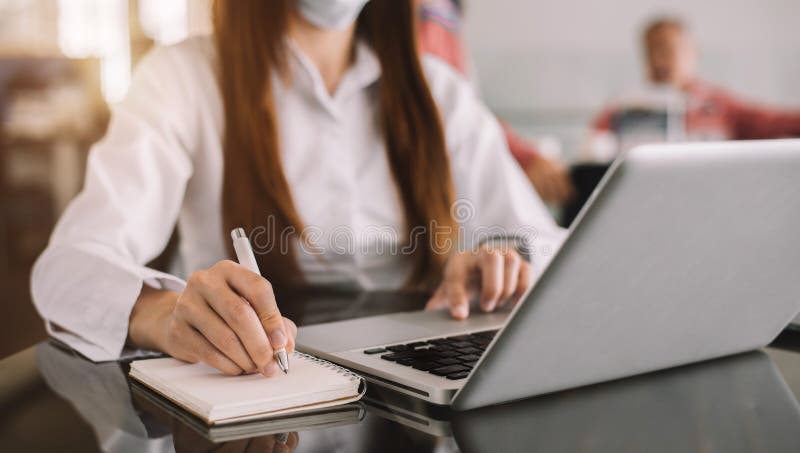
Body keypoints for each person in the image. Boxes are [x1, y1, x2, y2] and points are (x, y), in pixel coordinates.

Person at [31, 0, 564, 377]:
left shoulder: (440, 91)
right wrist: (159, 312)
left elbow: (547, 242)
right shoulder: (182, 79)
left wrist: (504, 258)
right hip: (256, 387)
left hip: (420, 385)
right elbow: (68, 268)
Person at [416, 0, 574, 204]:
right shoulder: (430, 13)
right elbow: (443, 103)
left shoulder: (446, 11)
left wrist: (522, 156)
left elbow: (465, 107)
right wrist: (522, 157)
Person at [592, 17, 800, 145]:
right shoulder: (624, 106)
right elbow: (592, 152)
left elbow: (771, 122)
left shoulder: (720, 105)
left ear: (693, 52)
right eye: (651, 50)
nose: (658, 60)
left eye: (668, 50)